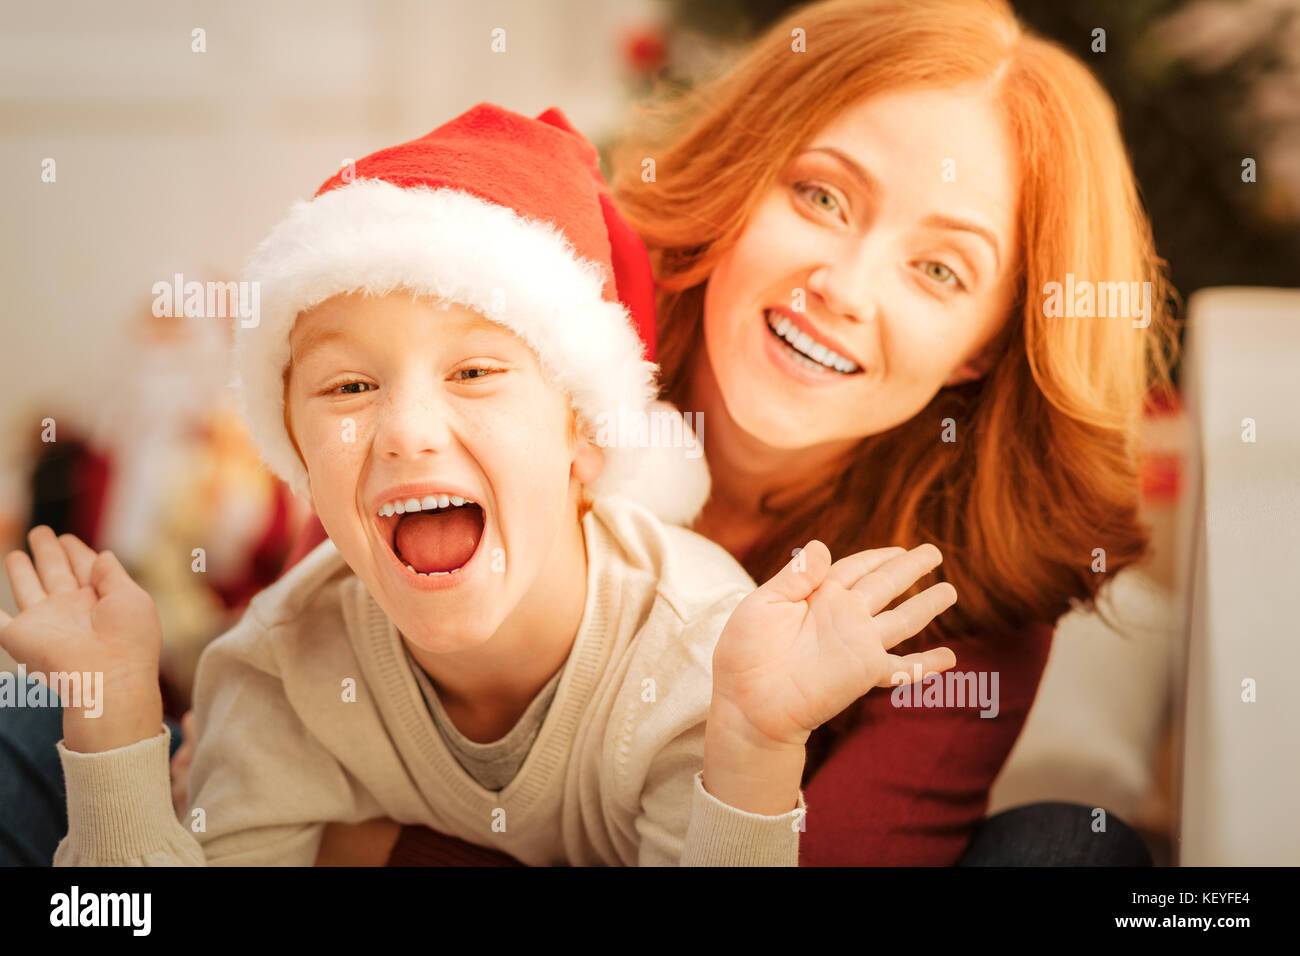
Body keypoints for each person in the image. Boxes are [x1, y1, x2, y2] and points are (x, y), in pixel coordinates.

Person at [0, 103, 958, 866]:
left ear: (584, 438)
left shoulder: (699, 652)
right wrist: (115, 724)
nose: (409, 430)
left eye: (475, 372)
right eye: (349, 387)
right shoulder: (281, 668)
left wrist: (750, 750)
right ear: (294, 453)